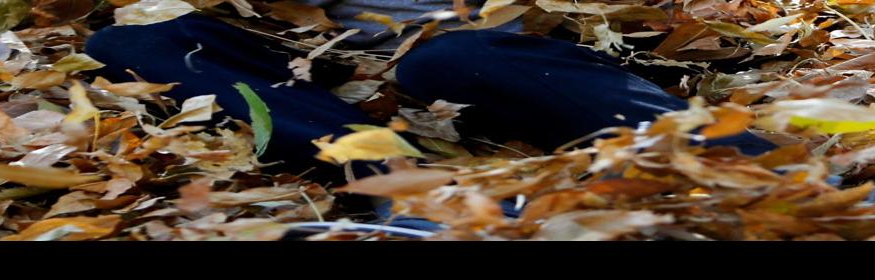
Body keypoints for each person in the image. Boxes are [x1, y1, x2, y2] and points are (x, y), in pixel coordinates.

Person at [84, 2, 774, 170]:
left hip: (480, 53)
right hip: (304, 67)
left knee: (443, 60)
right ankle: (387, 177)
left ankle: (740, 159)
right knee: (128, 42)